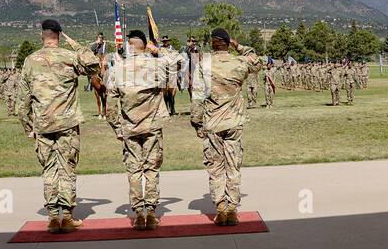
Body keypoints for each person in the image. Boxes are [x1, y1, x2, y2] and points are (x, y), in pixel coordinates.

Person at [15, 19, 100, 233]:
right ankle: (68, 217)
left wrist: (28, 127)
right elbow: (93, 65)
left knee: (49, 170)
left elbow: (22, 101)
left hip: (43, 125)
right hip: (67, 124)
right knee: (67, 169)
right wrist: (77, 45)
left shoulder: (30, 60)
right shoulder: (69, 57)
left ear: (41, 36)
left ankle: (53, 217)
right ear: (59, 36)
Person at [105, 30, 182, 230]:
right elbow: (179, 61)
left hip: (129, 127)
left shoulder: (118, 69)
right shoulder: (156, 65)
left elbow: (110, 103)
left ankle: (138, 212)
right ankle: (150, 212)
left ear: (128, 46)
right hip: (152, 126)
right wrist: (159, 50)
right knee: (151, 169)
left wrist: (116, 128)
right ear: (144, 45)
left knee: (133, 170)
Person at [190, 28, 261, 226]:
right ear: (227, 43)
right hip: (234, 122)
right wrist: (239, 46)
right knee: (233, 165)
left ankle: (220, 207)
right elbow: (257, 60)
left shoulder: (204, 65)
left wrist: (197, 123)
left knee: (215, 167)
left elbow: (197, 97)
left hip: (212, 123)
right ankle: (232, 209)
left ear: (212, 44)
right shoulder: (239, 62)